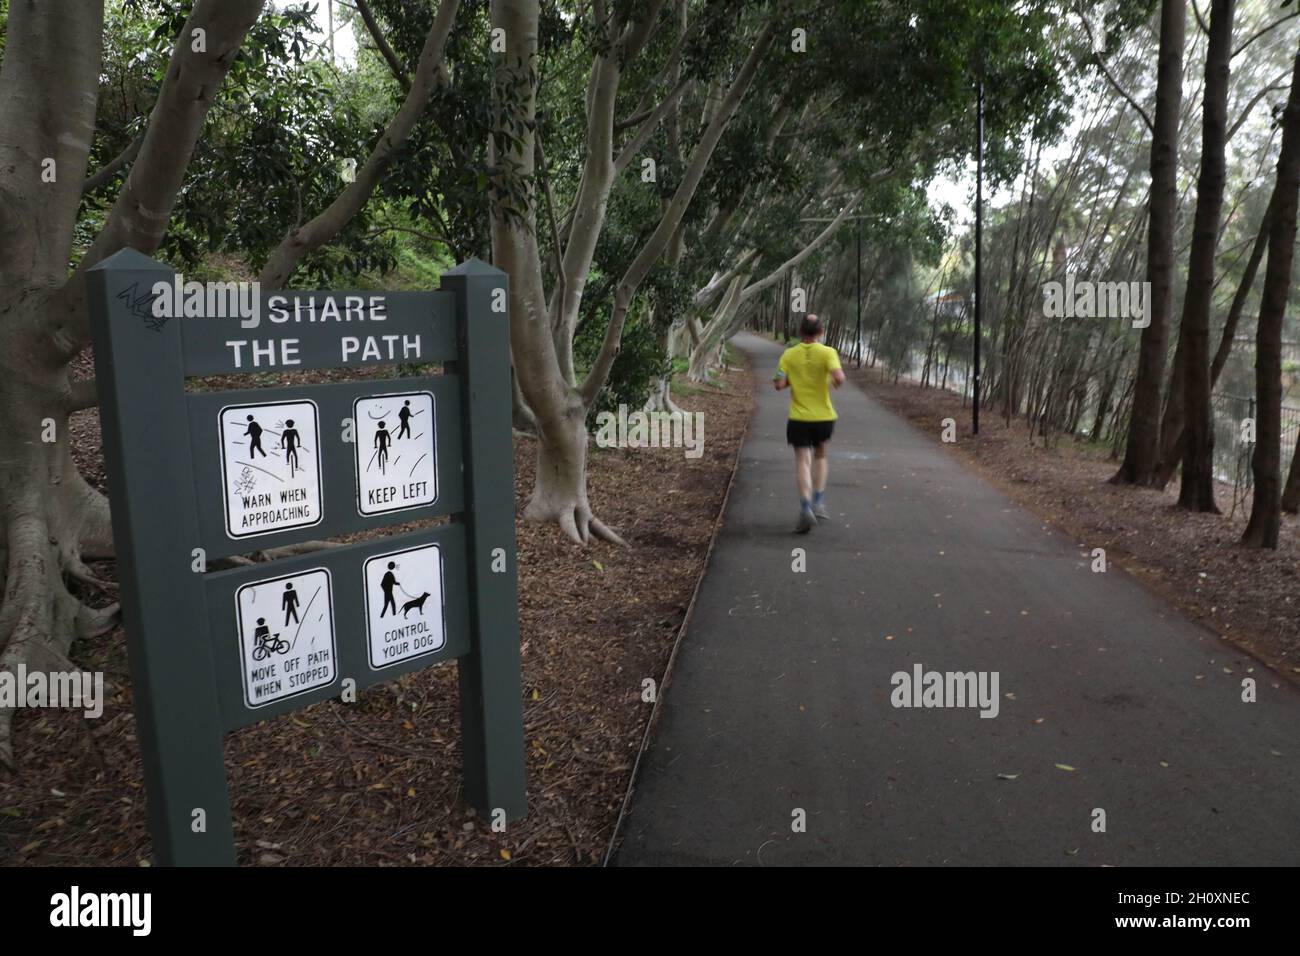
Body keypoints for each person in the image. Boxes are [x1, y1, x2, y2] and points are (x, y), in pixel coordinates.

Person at [773, 314, 844, 532]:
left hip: (799, 418)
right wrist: (831, 382)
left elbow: (779, 383)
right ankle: (818, 502)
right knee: (821, 455)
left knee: (802, 461)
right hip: (824, 416)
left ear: (801, 332)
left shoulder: (788, 355)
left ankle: (805, 508)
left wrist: (794, 381)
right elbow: (839, 378)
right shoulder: (828, 352)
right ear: (821, 332)